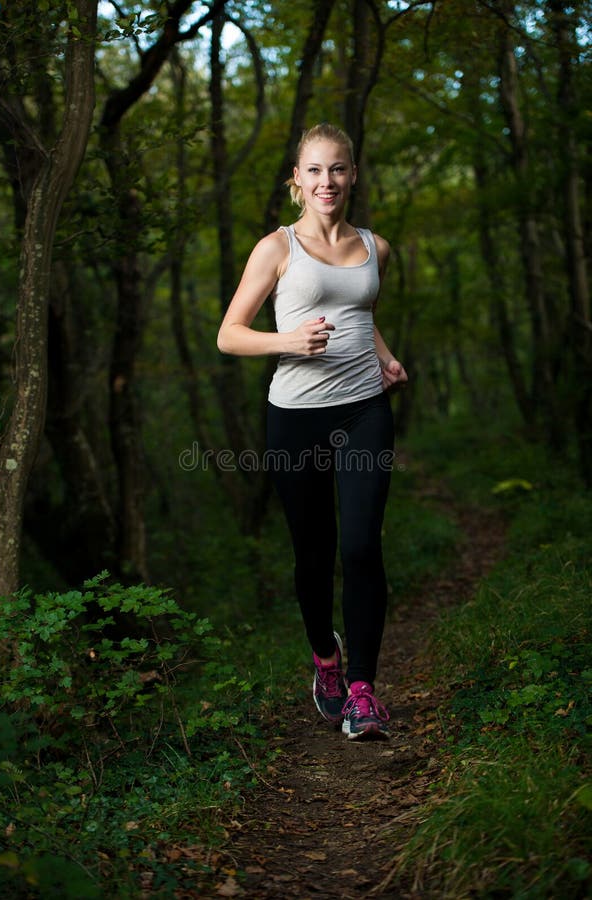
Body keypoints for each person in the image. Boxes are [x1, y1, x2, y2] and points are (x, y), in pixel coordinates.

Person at [217, 123, 408, 740]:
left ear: (353, 175)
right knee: (314, 553)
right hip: (296, 417)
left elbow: (360, 313)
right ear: (297, 180)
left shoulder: (376, 248)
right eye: (316, 170)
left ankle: (363, 692)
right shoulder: (276, 248)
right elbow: (229, 334)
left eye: (339, 169)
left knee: (362, 546)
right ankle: (326, 657)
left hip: (364, 411)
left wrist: (384, 356)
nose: (328, 181)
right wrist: (288, 341)